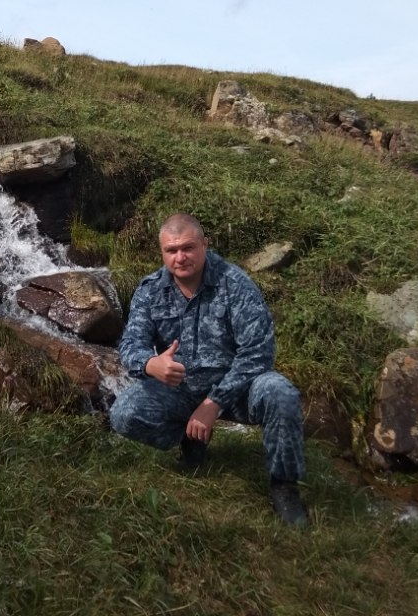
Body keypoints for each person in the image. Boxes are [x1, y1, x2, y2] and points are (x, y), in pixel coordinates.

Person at [110, 213, 308, 526]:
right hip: (181, 390)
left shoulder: (234, 283)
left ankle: (284, 486)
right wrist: (151, 364)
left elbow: (259, 351)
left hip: (236, 390)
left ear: (205, 244)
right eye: (171, 251)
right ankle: (189, 438)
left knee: (280, 394)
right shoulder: (149, 290)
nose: (180, 257)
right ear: (162, 253)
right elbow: (130, 345)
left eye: (188, 247)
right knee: (124, 413)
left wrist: (213, 404)